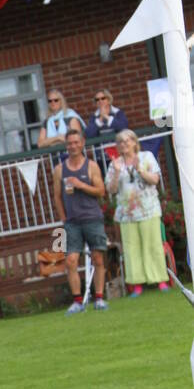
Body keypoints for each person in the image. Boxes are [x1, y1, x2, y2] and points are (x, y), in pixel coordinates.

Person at [105, 130, 169, 296]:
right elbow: (110, 189)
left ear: (135, 142)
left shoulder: (146, 156)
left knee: (153, 245)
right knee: (131, 248)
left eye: (127, 141)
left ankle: (161, 281)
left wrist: (140, 170)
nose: (124, 144)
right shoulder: (114, 164)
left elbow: (155, 180)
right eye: (120, 142)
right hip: (127, 213)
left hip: (148, 208)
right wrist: (118, 172)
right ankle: (137, 285)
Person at [53, 128, 107, 313]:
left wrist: (81, 185)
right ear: (66, 146)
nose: (73, 146)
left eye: (76, 142)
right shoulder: (60, 169)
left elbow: (101, 191)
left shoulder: (91, 166)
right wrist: (63, 217)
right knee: (71, 260)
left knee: (98, 258)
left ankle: (99, 298)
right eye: (69, 143)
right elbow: (57, 197)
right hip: (72, 222)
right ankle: (77, 301)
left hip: (92, 217)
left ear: (82, 143)